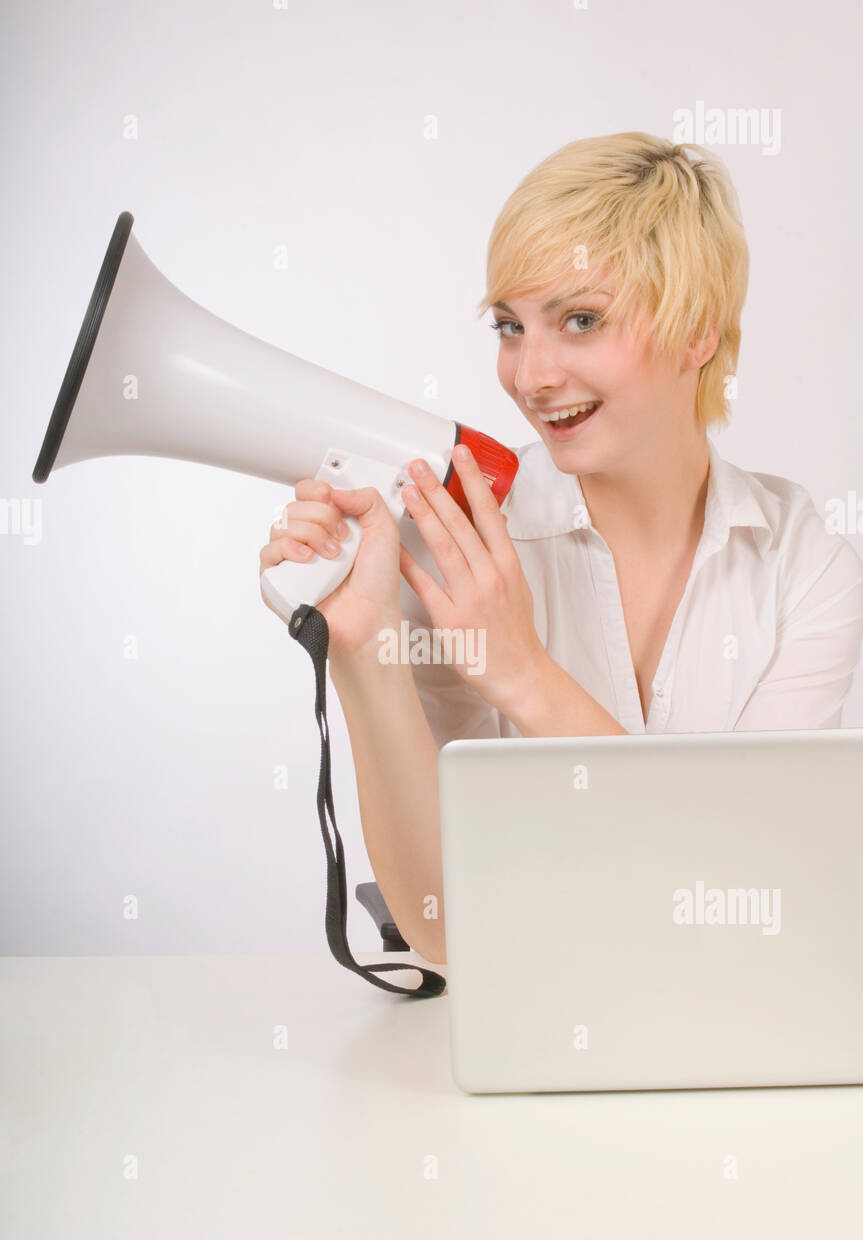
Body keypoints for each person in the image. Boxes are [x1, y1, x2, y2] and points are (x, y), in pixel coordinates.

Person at [259, 131, 863, 965]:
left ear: (698, 335)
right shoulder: (455, 555)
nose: (530, 376)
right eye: (510, 327)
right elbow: (440, 930)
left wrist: (521, 674)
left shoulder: (807, 565)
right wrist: (363, 650)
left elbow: (749, 885)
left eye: (580, 321)